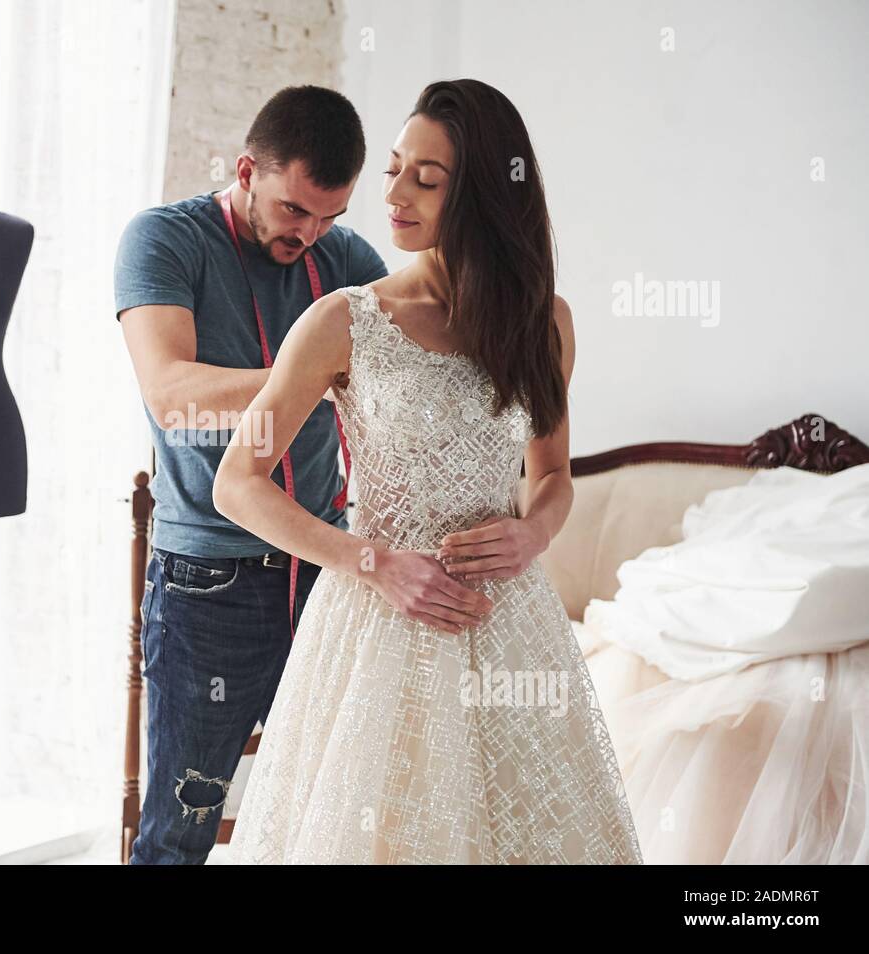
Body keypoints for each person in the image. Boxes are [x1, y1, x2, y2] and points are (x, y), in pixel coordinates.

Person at [213, 78, 643, 863]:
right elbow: (236, 482)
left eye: (427, 178)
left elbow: (552, 474)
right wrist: (372, 563)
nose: (395, 194)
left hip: (508, 625)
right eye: (394, 169)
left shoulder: (545, 324)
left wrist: (534, 533)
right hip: (381, 622)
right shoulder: (344, 321)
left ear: (482, 193)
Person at [114, 85, 439, 865]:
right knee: (181, 829)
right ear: (246, 171)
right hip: (208, 587)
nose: (310, 234)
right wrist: (312, 374)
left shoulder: (346, 260)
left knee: (330, 820)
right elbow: (172, 397)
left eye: (330, 216)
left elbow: (413, 369)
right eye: (295, 210)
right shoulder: (164, 239)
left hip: (327, 575)